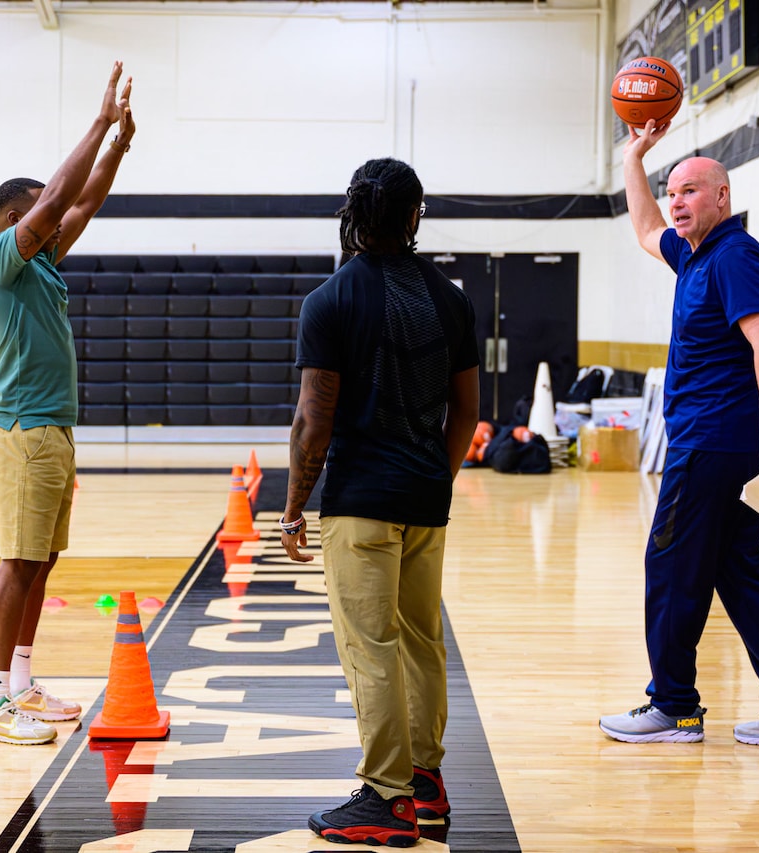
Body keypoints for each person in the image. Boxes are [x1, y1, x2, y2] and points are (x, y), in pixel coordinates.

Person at [598, 118, 759, 747]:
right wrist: (635, 157)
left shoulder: (735, 256)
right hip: (715, 441)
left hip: (714, 443)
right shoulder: (695, 254)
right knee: (736, 569)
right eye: (672, 190)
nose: (676, 202)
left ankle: (674, 706)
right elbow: (647, 230)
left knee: (672, 566)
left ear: (722, 198)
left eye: (689, 191)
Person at [281, 157, 480, 845]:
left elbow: (314, 419)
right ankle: (425, 779)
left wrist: (292, 505)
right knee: (423, 641)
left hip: (361, 500)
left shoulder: (330, 299)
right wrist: (437, 475)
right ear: (415, 214)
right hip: (427, 498)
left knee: (371, 647)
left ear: (353, 213)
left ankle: (385, 797)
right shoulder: (450, 297)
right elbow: (468, 412)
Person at [0, 62, 135, 745]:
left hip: (51, 430)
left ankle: (20, 683)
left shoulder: (46, 262)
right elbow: (66, 190)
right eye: (42, 209)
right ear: (16, 219)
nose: (58, 215)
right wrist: (96, 120)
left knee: (41, 560)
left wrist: (119, 143)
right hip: (20, 429)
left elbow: (84, 198)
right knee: (17, 559)